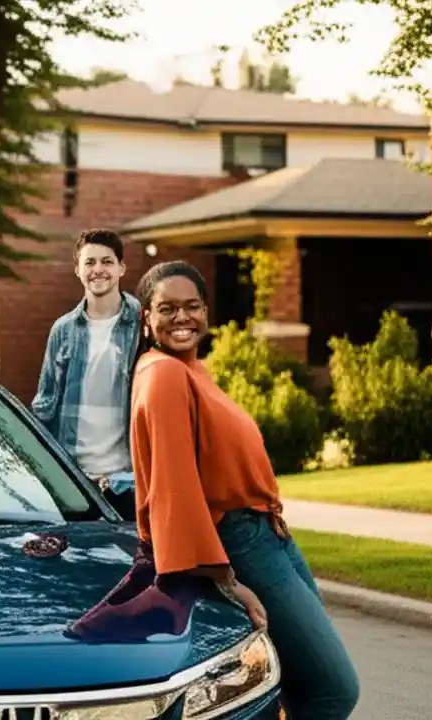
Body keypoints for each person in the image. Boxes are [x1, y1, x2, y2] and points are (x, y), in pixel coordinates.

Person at [131, 260, 359, 718]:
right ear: (146, 319)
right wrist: (226, 579)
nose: (182, 318)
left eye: (192, 306)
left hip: (268, 535)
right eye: (168, 308)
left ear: (207, 313)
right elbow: (174, 487)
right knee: (333, 689)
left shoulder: (195, 370)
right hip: (240, 541)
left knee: (295, 682)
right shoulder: (164, 376)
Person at [31, 229, 140, 517]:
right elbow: (45, 406)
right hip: (75, 483)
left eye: (107, 262)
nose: (98, 270)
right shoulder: (63, 331)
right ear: (78, 270)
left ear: (121, 268)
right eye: (90, 263)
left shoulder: (142, 324)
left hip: (129, 481)